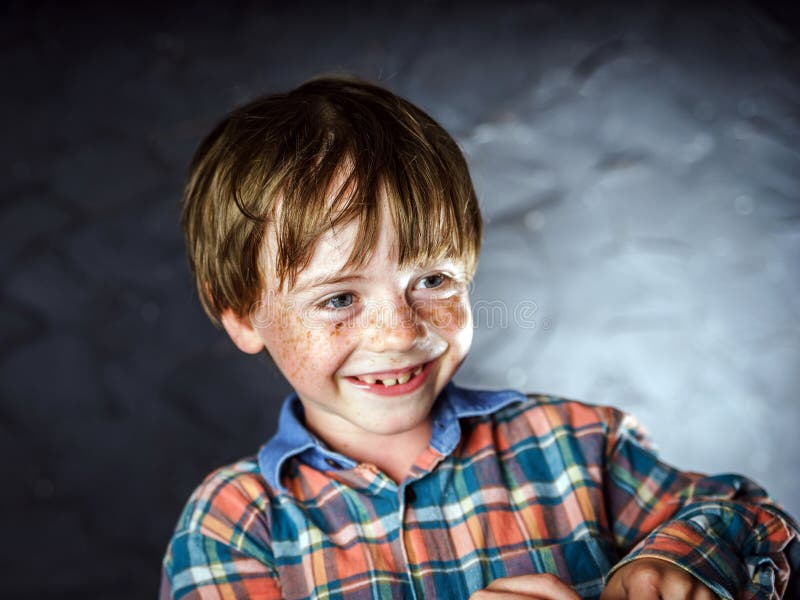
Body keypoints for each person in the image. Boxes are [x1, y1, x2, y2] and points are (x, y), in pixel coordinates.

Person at [160, 76, 798, 599]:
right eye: (339, 298)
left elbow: (753, 520)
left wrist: (675, 563)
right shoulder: (234, 527)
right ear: (242, 315)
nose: (400, 333)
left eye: (432, 280)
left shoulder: (578, 446)